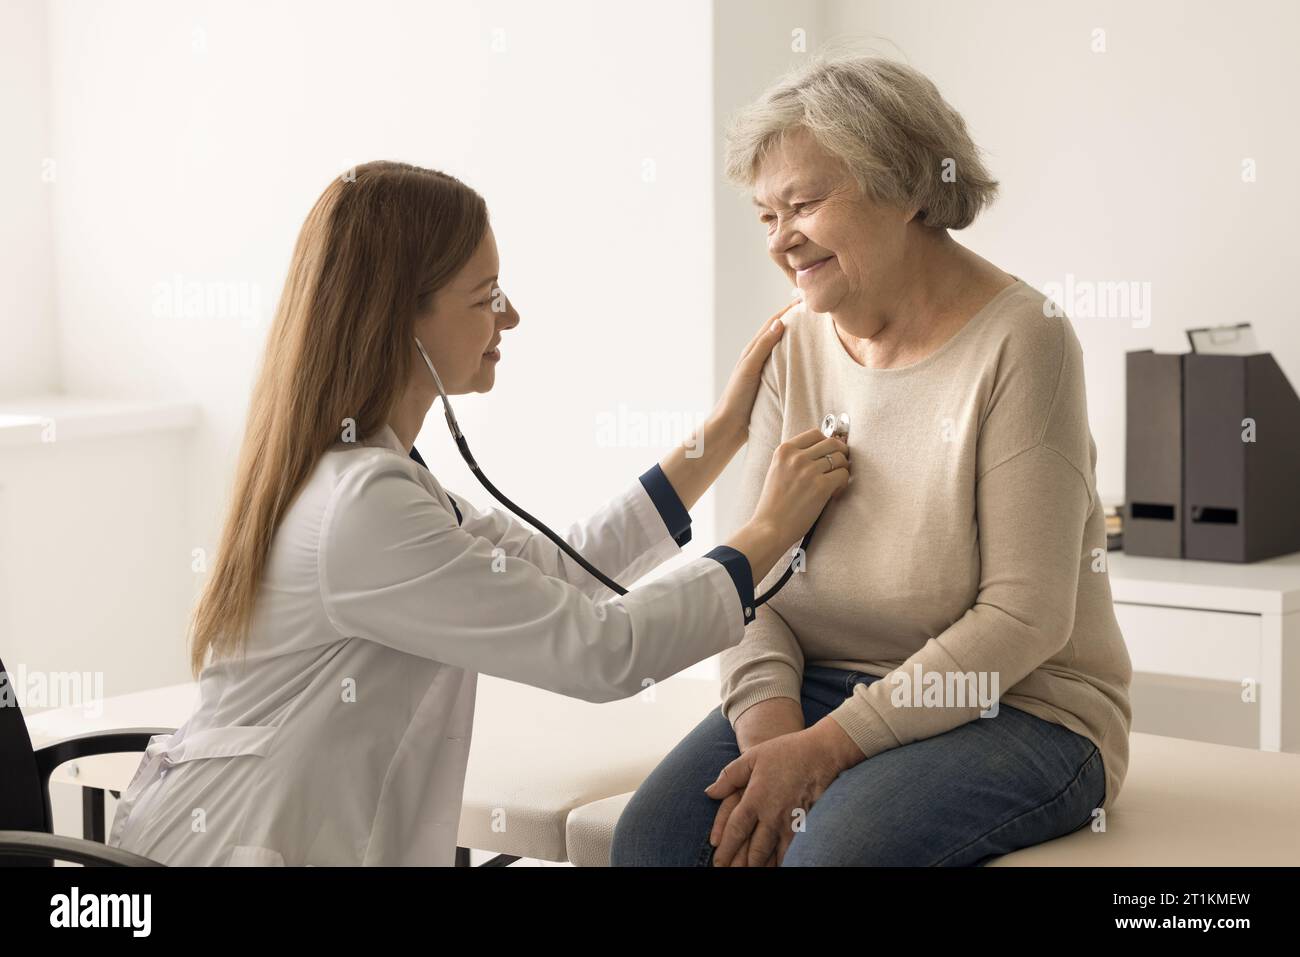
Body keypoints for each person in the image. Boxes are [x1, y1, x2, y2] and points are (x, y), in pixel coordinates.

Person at [106, 161, 850, 866]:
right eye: (485, 295)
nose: (512, 316)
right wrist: (767, 533)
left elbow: (561, 568)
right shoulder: (363, 506)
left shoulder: (376, 476)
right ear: (403, 319)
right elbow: (602, 650)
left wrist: (722, 432)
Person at [612, 54, 1132, 867]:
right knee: (654, 843)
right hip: (819, 688)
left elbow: (1026, 617)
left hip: (1020, 707)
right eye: (765, 215)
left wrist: (824, 752)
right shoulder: (795, 343)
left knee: (829, 856)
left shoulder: (1025, 339)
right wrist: (777, 742)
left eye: (804, 204)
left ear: (908, 187)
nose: (781, 238)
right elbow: (753, 584)